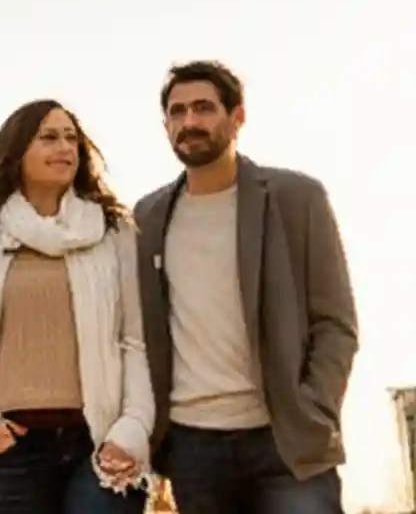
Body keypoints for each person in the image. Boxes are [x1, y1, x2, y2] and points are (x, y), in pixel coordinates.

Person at [133, 60, 358, 513]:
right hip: (193, 448)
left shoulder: (297, 198)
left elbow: (335, 322)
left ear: (238, 117)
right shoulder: (148, 216)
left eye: (203, 108)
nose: (189, 122)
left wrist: (314, 410)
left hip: (286, 441)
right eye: (177, 113)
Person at [0, 99, 154, 514]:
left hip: (100, 442)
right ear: (17, 152)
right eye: (48, 137)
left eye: (72, 138)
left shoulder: (114, 234)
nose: (65, 147)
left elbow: (135, 340)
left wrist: (133, 427)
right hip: (13, 450)